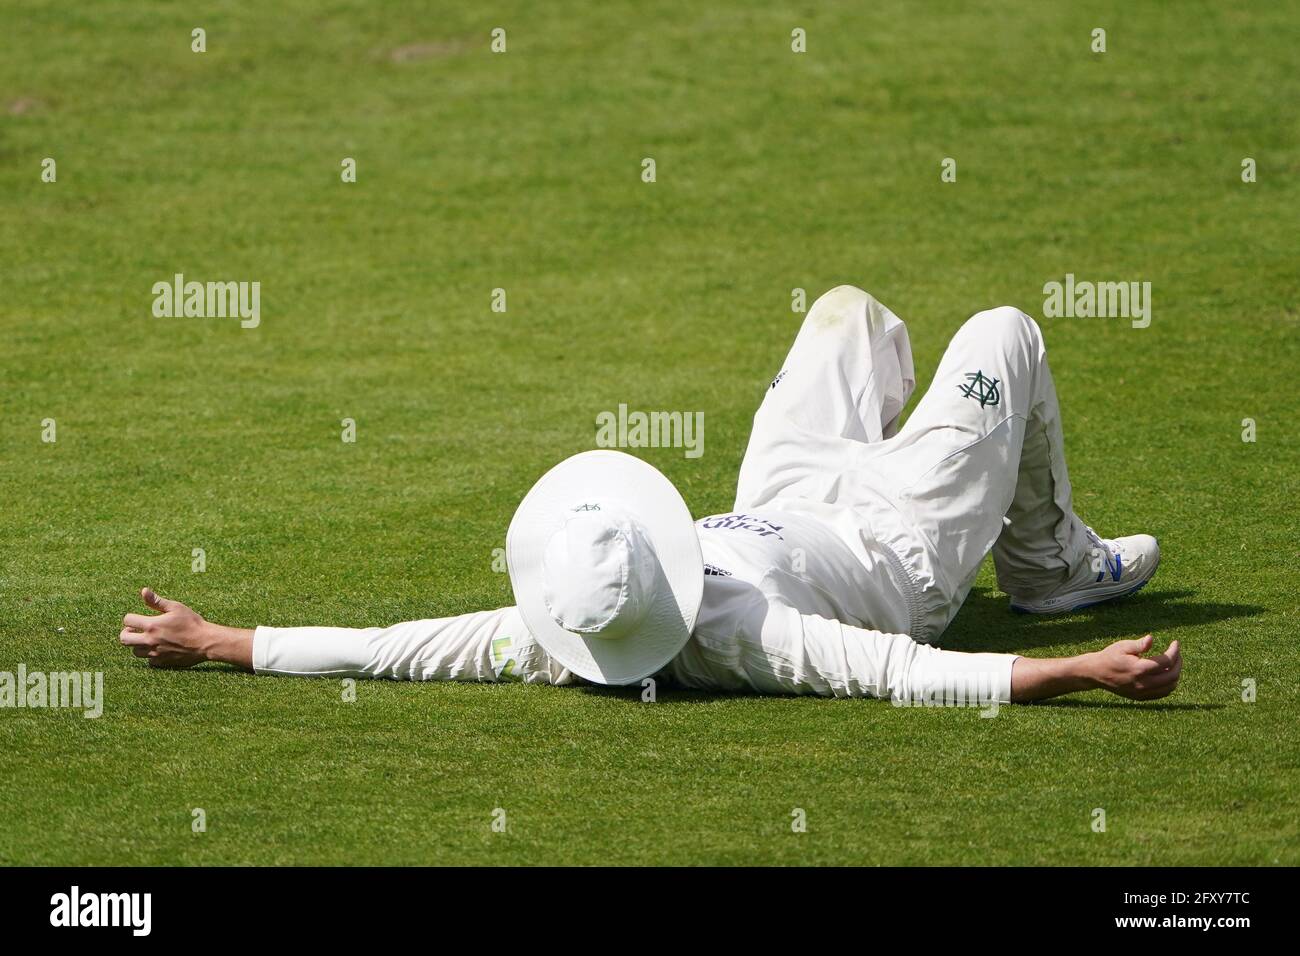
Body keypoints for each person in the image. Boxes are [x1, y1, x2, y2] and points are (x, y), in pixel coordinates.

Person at [119, 286, 1181, 706]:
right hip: (902, 544)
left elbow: (391, 644)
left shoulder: (556, 628)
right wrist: (1076, 668)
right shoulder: (743, 634)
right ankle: (1046, 568)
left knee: (847, 314)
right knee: (1003, 333)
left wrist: (217, 638)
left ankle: (975, 484)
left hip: (780, 493)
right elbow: (903, 670)